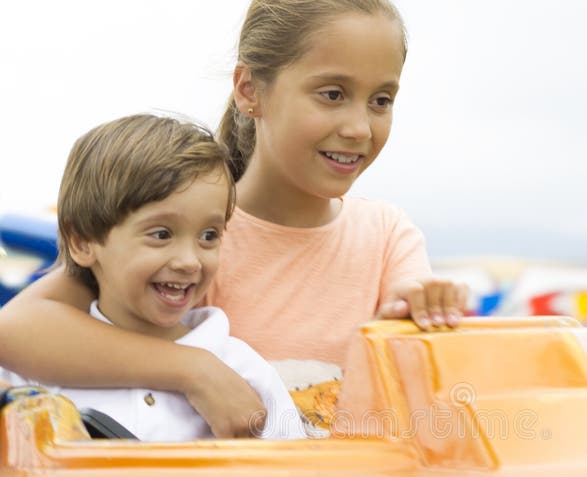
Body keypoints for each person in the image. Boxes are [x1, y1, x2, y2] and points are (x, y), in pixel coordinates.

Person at [0, 0, 468, 437]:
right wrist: (195, 370)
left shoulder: (387, 235)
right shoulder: (189, 237)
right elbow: (15, 331)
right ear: (249, 90)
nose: (359, 128)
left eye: (381, 100)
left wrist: (420, 308)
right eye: (332, 94)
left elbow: (418, 357)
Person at [0, 114, 306, 442]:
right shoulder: (27, 376)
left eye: (208, 235)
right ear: (83, 243)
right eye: (161, 234)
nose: (189, 261)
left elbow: (297, 471)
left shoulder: (246, 372)